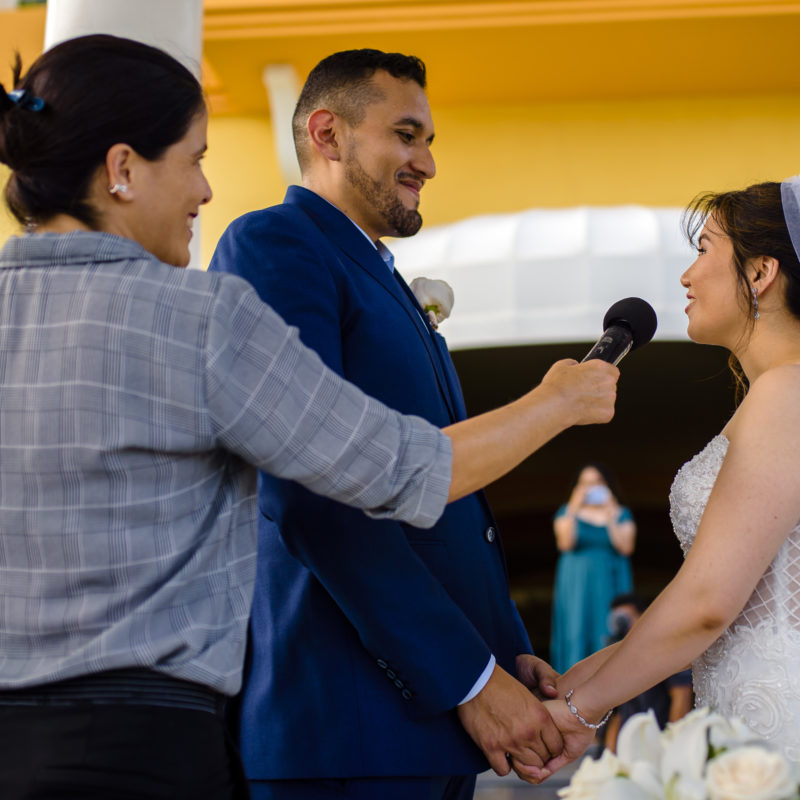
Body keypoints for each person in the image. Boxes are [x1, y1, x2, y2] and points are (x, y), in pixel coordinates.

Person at [0, 35, 619, 799]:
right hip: (184, 735)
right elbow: (369, 476)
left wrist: (496, 650)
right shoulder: (206, 310)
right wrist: (553, 404)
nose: (204, 191)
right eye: (194, 160)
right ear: (123, 169)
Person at [209, 49, 576, 799]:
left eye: (431, 140)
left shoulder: (381, 276)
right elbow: (312, 494)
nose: (428, 163)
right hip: (344, 726)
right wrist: (471, 680)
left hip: (428, 729)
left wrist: (503, 651)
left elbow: (446, 505)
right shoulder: (277, 246)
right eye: (407, 135)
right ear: (328, 133)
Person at [540, 176, 800, 774]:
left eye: (704, 249)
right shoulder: (771, 394)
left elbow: (709, 602)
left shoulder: (785, 392)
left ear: (760, 273)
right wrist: (580, 677)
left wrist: (580, 712)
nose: (686, 276)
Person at [549, 463, 636, 673]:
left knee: (607, 628)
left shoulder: (620, 513)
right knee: (575, 629)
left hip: (608, 581)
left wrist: (610, 515)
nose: (591, 488)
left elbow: (625, 547)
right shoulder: (566, 513)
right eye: (585, 483)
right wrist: (573, 507)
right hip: (577, 584)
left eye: (597, 482)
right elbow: (565, 543)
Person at [601, 593, 692, 752]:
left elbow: (682, 695)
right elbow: (617, 713)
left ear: (644, 617)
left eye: (627, 618)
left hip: (658, 745)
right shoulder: (620, 656)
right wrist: (610, 755)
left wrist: (672, 747)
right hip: (630, 749)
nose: (623, 626)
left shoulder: (664, 648)